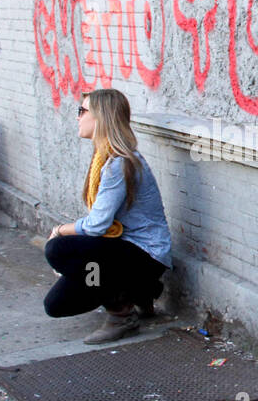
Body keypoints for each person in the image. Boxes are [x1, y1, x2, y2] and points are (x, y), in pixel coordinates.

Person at [44, 88, 173, 344]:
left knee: (58, 249)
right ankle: (139, 292)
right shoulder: (105, 158)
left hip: (145, 254)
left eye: (82, 111)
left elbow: (97, 225)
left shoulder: (119, 163)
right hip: (123, 251)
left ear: (101, 117)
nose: (78, 116)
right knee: (56, 304)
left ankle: (120, 312)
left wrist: (60, 229)